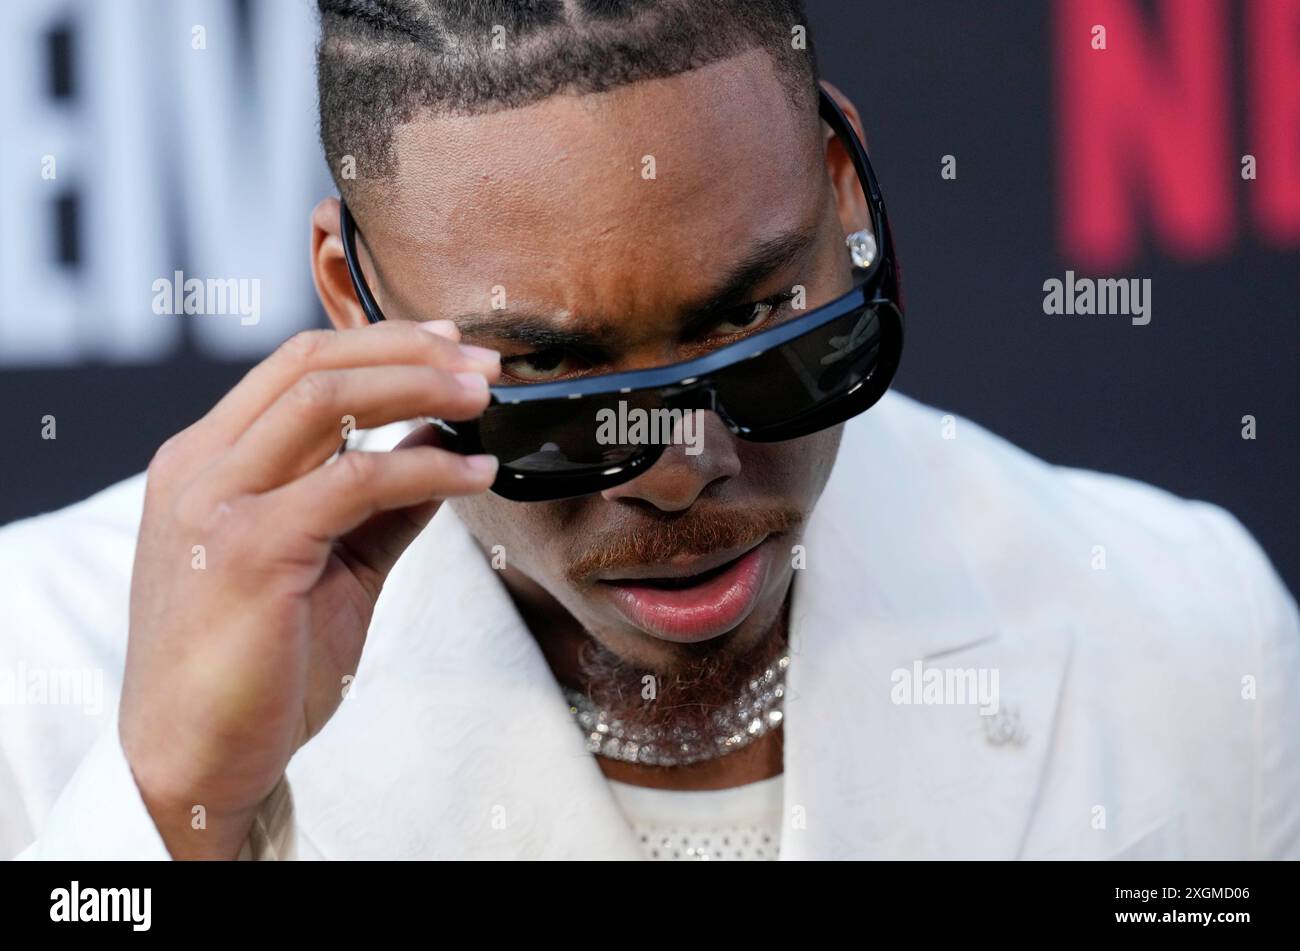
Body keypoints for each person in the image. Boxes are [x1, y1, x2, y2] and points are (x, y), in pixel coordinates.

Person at [3, 0, 1297, 861]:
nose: (684, 468)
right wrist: (172, 820)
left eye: (753, 328)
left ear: (841, 183)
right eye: (551, 378)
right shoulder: (48, 671)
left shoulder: (1181, 623)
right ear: (355, 299)